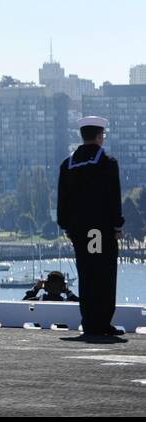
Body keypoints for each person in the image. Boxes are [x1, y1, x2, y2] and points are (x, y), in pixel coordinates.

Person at [57, 115, 125, 338]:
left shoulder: (67, 165)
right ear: (99, 136)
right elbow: (113, 197)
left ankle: (89, 319)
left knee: (86, 273)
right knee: (102, 273)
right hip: (98, 230)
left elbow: (62, 199)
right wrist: (117, 224)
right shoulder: (107, 163)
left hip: (78, 230)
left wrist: (65, 224)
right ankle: (101, 322)